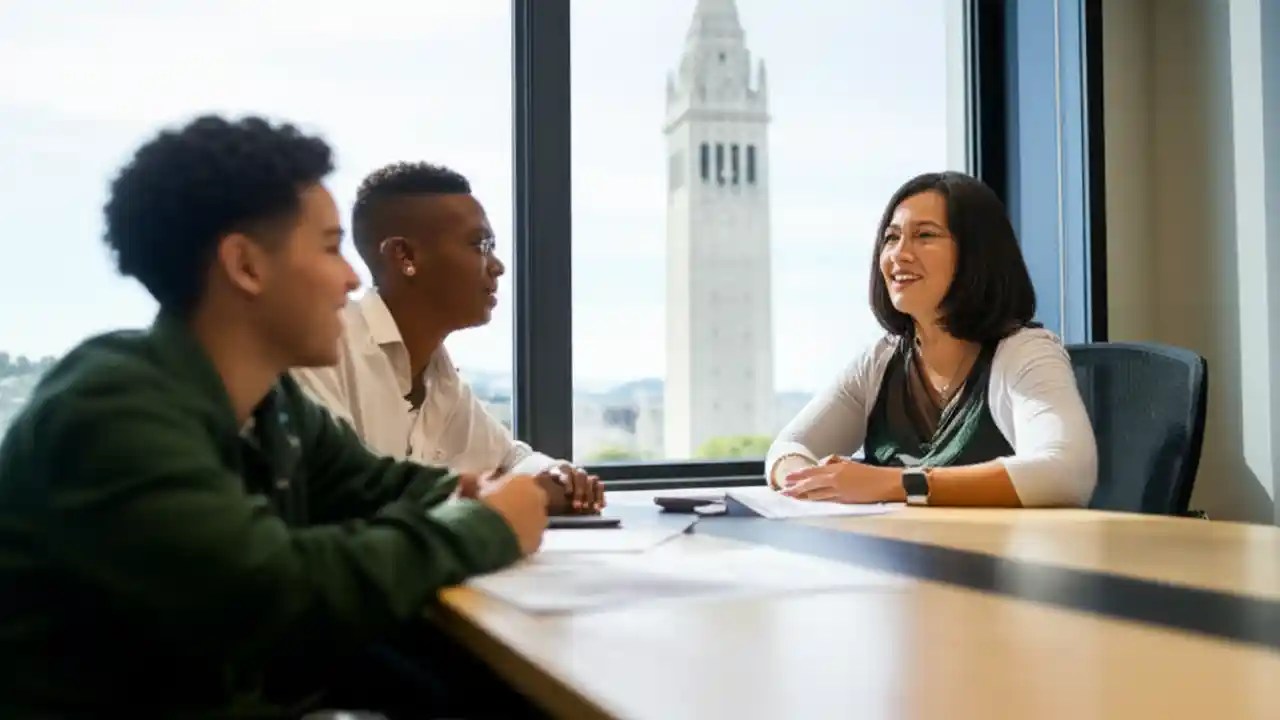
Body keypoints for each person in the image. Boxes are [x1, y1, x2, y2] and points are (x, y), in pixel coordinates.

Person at [0, 116, 548, 717]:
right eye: (329, 247)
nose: (351, 278)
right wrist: (484, 525)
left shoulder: (272, 407)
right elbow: (270, 591)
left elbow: (376, 485)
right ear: (246, 265)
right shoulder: (110, 410)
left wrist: (462, 491)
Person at [766, 171, 1096, 508]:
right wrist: (816, 483)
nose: (899, 254)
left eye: (925, 235)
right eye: (891, 238)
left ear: (976, 254)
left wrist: (895, 484)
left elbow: (1065, 474)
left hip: (995, 557)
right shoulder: (880, 361)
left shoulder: (1025, 352)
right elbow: (787, 449)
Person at [292, 162, 606, 515]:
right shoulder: (322, 349)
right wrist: (499, 497)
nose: (497, 266)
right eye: (480, 245)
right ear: (405, 256)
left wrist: (553, 475)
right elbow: (343, 495)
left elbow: (510, 458)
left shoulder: (440, 377)